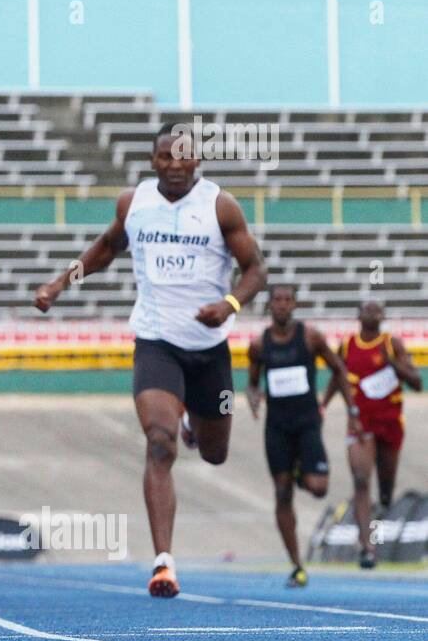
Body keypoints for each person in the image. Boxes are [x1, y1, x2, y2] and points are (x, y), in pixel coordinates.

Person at [34, 122, 266, 597]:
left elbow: (256, 269)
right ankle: (164, 562)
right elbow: (105, 249)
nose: (175, 165)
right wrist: (60, 283)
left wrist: (230, 305)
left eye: (184, 156)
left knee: (216, 452)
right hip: (156, 342)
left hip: (210, 350)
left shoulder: (221, 206)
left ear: (198, 159)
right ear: (153, 159)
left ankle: (192, 425)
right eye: (166, 157)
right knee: (159, 444)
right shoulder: (134, 203)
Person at [246, 285, 359, 587]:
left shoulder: (311, 337)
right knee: (282, 493)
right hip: (278, 426)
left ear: (295, 304)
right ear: (270, 306)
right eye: (277, 300)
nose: (282, 305)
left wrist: (350, 409)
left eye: (287, 300)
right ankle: (297, 564)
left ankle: (300, 472)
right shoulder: (259, 345)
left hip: (307, 422)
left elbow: (339, 368)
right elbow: (253, 381)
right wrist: (254, 398)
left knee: (318, 487)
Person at [322, 300, 423, 568]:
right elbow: (337, 375)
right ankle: (367, 548)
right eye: (368, 309)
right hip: (360, 424)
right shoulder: (348, 345)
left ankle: (381, 522)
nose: (373, 313)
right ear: (359, 315)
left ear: (383, 317)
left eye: (378, 310)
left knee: (386, 491)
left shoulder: (392, 344)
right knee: (360, 480)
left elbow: (416, 382)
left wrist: (393, 364)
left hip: (390, 423)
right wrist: (323, 404)